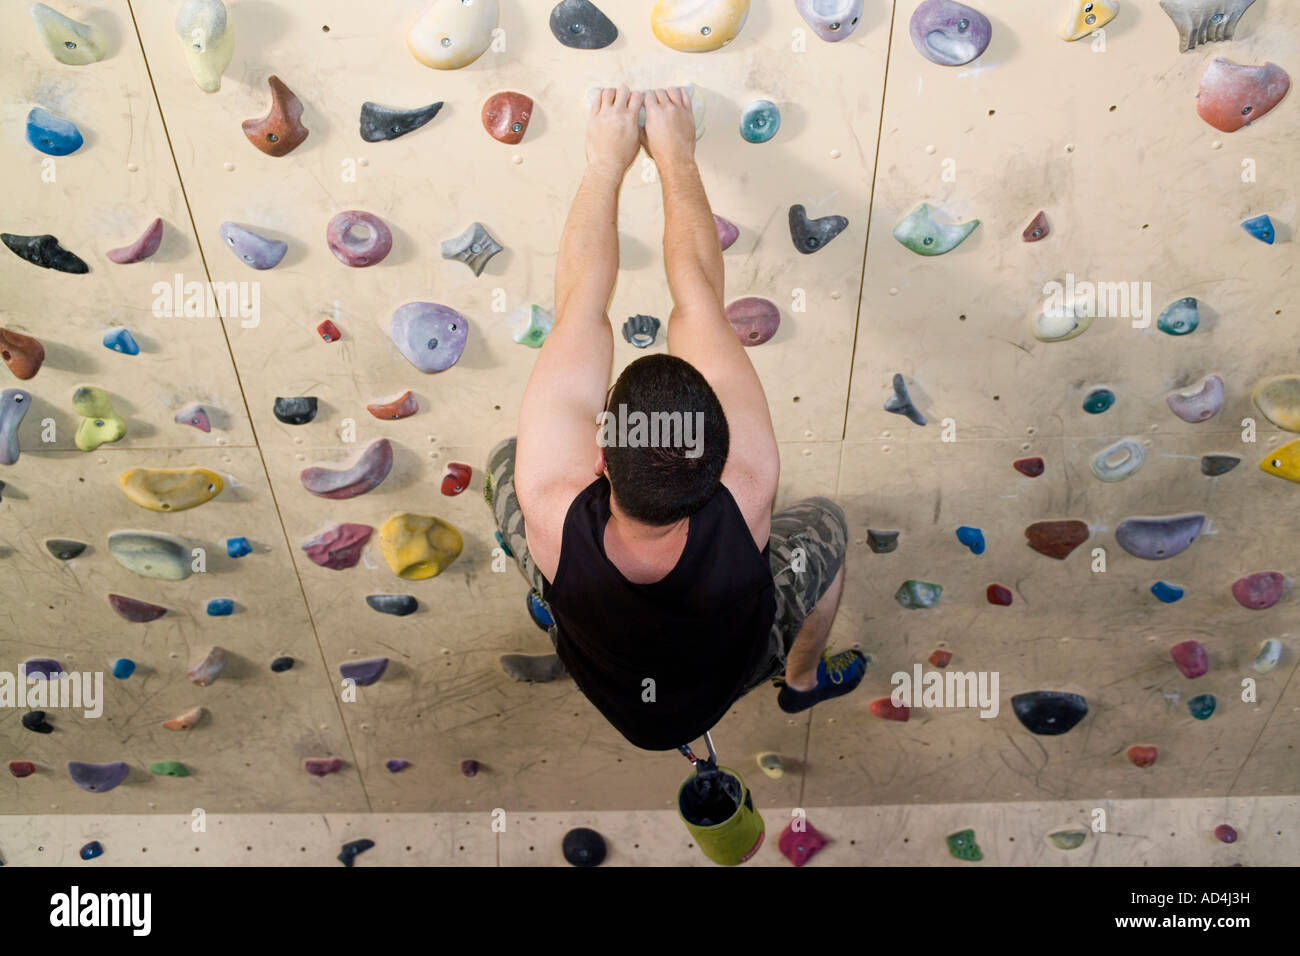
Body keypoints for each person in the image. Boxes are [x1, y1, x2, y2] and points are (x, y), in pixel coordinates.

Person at [484, 87, 866, 751]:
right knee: (828, 519)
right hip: (728, 671)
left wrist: (605, 164)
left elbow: (579, 306)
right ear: (719, 461)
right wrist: (678, 158)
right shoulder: (750, 483)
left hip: (604, 672)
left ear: (596, 459)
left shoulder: (550, 498)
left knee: (504, 462)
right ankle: (799, 681)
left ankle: (560, 603)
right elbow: (698, 299)